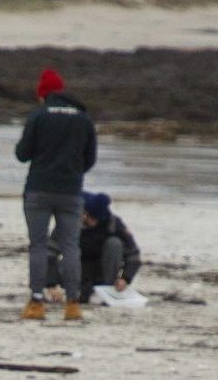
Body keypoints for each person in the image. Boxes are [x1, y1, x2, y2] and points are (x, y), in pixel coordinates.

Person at [15, 68, 96, 323]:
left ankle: (37, 301)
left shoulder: (39, 115)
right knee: (71, 247)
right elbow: (90, 159)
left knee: (38, 246)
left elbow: (22, 153)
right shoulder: (83, 119)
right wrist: (72, 171)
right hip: (71, 191)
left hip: (39, 188)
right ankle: (72, 304)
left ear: (43, 93)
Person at [77, 191, 140, 305]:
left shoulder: (114, 224)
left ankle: (105, 289)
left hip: (104, 270)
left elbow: (133, 254)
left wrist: (125, 278)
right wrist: (51, 284)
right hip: (77, 269)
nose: (91, 221)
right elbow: (51, 250)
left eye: (94, 218)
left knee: (114, 243)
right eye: (89, 216)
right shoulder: (72, 221)